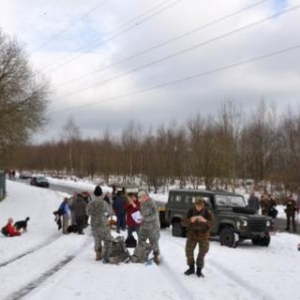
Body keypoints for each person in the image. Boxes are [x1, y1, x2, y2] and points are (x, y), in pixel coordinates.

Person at [184, 198, 214, 278]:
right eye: (197, 205)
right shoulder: (190, 211)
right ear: (195, 205)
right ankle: (191, 268)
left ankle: (199, 270)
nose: (198, 207)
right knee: (188, 251)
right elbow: (183, 222)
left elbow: (213, 223)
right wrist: (190, 220)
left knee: (202, 253)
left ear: (203, 205)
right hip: (192, 235)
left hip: (203, 236)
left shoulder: (207, 212)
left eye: (200, 206)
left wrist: (205, 221)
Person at [86, 185, 113, 262]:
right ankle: (106, 255)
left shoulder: (91, 203)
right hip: (103, 224)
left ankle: (98, 256)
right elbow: (110, 212)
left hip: (94, 224)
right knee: (106, 239)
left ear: (94, 194)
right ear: (101, 194)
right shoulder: (104, 203)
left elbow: (87, 213)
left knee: (97, 239)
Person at [133, 190, 160, 264]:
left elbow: (154, 216)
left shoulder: (152, 203)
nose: (140, 202)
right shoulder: (142, 203)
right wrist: (139, 217)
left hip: (152, 227)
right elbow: (142, 212)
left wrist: (144, 218)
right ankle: (140, 254)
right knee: (141, 240)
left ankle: (156, 257)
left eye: (141, 199)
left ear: (145, 197)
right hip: (144, 225)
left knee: (154, 242)